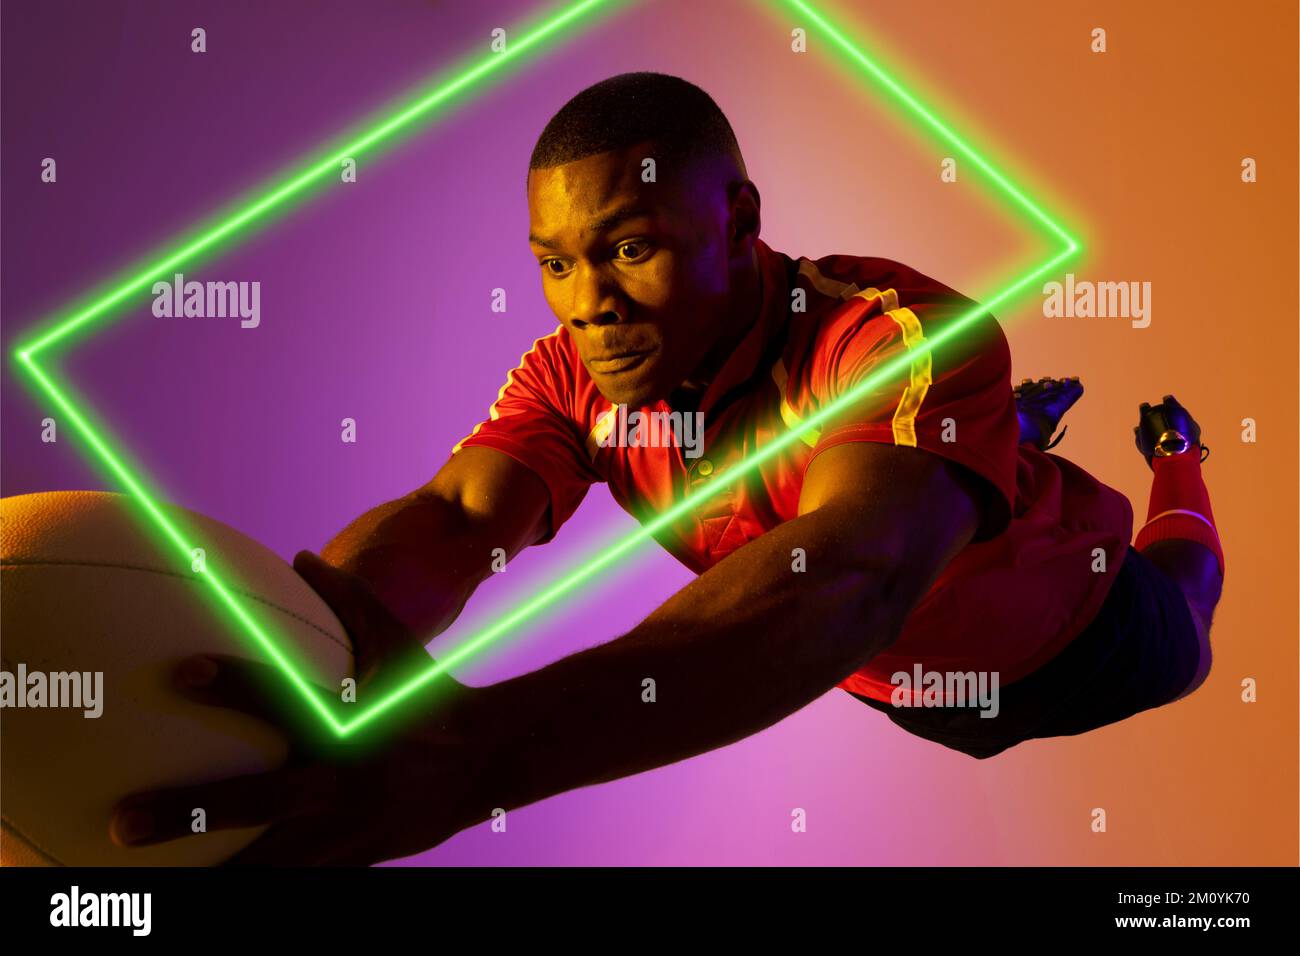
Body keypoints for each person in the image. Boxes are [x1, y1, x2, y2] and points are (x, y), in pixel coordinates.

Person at [109, 72, 1225, 865]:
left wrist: (475, 752)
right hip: (910, 691)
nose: (589, 301)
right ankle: (1000, 440)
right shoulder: (571, 374)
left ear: (736, 219)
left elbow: (847, 577)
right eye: (556, 263)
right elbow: (456, 517)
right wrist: (298, 642)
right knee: (924, 495)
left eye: (630, 247)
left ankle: (1168, 456)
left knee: (1192, 604)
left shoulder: (900, 335)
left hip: (1085, 628)